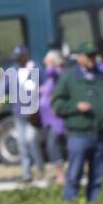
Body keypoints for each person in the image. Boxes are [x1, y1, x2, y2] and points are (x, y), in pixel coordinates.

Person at [51, 42, 103, 203]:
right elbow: (57, 104)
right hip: (78, 134)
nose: (92, 59)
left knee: (98, 174)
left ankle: (94, 203)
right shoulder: (69, 77)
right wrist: (75, 107)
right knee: (74, 172)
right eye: (88, 56)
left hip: (99, 134)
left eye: (94, 55)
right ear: (79, 57)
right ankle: (70, 201)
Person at [12, 45, 45, 184]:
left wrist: (40, 90)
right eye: (17, 58)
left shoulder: (36, 68)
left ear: (26, 55)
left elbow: (47, 84)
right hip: (19, 113)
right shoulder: (13, 71)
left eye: (21, 56)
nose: (19, 60)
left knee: (32, 141)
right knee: (21, 143)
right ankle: (27, 173)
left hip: (33, 113)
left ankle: (39, 169)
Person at [38, 50, 68, 186]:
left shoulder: (57, 72)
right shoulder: (52, 77)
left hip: (55, 120)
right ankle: (60, 174)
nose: (45, 64)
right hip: (48, 120)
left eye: (47, 61)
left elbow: (51, 73)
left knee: (55, 145)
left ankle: (61, 175)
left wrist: (51, 64)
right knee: (53, 146)